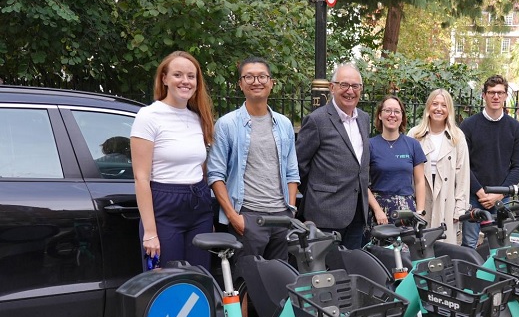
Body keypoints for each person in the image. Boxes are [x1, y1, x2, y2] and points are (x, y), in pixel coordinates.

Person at [207, 57, 299, 262]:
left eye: (262, 76)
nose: (256, 81)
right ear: (240, 84)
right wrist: (233, 217)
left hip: (281, 217)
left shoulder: (283, 124)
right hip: (248, 215)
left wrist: (290, 211)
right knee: (247, 281)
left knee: (278, 280)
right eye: (249, 76)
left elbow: (292, 172)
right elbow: (215, 174)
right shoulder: (227, 124)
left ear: (271, 83)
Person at [130, 50, 215, 270]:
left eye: (191, 76)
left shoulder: (199, 117)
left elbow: (200, 167)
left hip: (199, 203)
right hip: (164, 206)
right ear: (164, 79)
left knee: (198, 277)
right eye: (178, 75)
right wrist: (150, 232)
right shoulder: (149, 116)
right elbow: (141, 178)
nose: (185, 81)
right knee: (168, 281)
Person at [296, 63, 370, 249]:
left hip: (357, 214)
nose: (350, 91)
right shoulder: (317, 120)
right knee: (325, 275)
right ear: (332, 87)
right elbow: (299, 166)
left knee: (351, 272)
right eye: (344, 85)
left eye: (355, 86)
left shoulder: (364, 118)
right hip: (324, 215)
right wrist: (318, 195)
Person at [459, 74, 519, 248]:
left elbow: (518, 166)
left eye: (500, 93)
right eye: (491, 92)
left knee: (500, 246)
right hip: (474, 196)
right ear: (484, 95)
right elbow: (463, 165)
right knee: (469, 245)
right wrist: (481, 193)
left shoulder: (516, 128)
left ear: (505, 96)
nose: (495, 96)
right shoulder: (468, 125)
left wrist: (500, 194)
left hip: (501, 197)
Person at [408, 88, 470, 244]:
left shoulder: (457, 136)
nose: (439, 109)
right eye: (435, 104)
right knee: (420, 247)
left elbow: (462, 175)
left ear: (449, 110)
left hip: (447, 198)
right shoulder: (415, 134)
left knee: (445, 249)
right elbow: (407, 172)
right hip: (421, 197)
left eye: (444, 105)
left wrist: (459, 208)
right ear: (428, 107)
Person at [367, 96, 426, 228]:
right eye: (388, 110)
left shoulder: (413, 145)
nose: (392, 115)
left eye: (397, 111)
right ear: (380, 115)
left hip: (406, 211)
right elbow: (362, 183)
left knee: (407, 248)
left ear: (402, 117)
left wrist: (420, 213)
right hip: (379, 212)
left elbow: (420, 181)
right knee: (379, 249)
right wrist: (377, 210)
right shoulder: (370, 145)